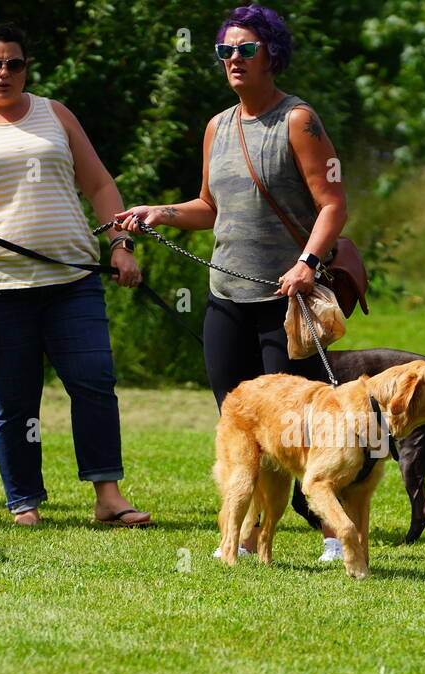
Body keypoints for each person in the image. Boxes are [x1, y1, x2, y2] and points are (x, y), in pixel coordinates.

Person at [117, 4, 347, 562]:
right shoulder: (218, 127)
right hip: (227, 297)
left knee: (297, 426)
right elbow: (209, 205)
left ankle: (332, 534)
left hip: (285, 301)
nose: (234, 60)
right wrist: (161, 213)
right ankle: (244, 537)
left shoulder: (298, 120)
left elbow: (333, 204)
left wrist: (306, 264)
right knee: (238, 421)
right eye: (225, 51)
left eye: (246, 49)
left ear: (272, 54)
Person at [0, 22, 152, 528]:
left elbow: (101, 183)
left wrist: (121, 245)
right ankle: (24, 502)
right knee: (14, 402)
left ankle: (108, 496)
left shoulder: (55, 114)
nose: (4, 73)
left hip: (73, 285)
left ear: (26, 67)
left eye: (14, 63)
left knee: (93, 384)